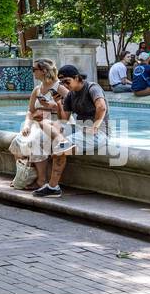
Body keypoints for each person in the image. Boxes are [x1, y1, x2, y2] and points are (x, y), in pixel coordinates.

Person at [31, 64, 109, 198]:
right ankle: (61, 141)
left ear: (77, 78)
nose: (65, 85)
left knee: (59, 149)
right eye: (63, 83)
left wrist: (95, 126)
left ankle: (53, 187)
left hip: (98, 132)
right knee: (45, 123)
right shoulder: (70, 96)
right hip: (79, 129)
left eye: (67, 81)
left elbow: (101, 107)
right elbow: (63, 120)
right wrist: (59, 103)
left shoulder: (92, 87)